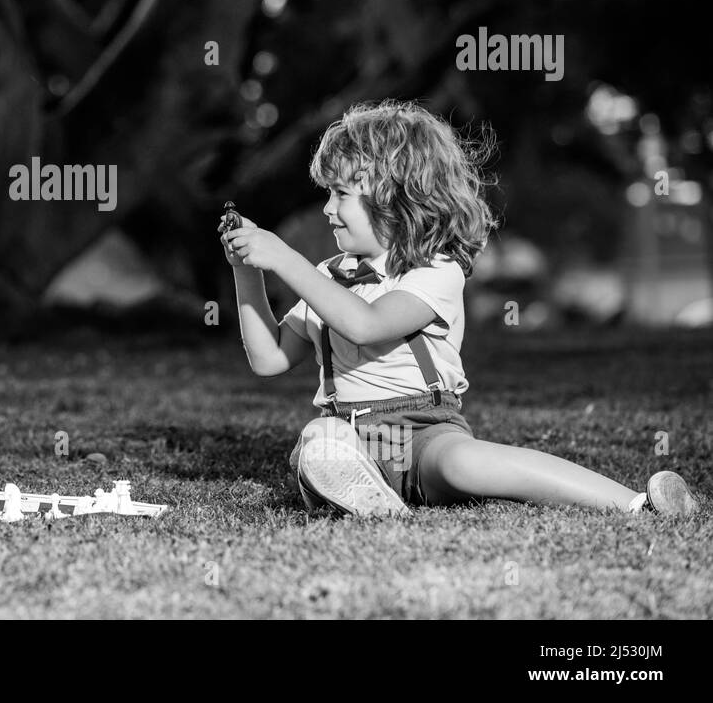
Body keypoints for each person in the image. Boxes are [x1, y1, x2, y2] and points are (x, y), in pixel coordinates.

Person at [221, 99, 698, 517]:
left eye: (342, 194)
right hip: (352, 435)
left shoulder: (435, 271)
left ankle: (638, 504)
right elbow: (269, 360)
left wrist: (284, 258)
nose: (327, 209)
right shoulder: (330, 278)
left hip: (425, 431)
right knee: (322, 437)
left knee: (462, 461)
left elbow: (366, 325)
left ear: (396, 199)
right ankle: (367, 493)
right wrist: (248, 271)